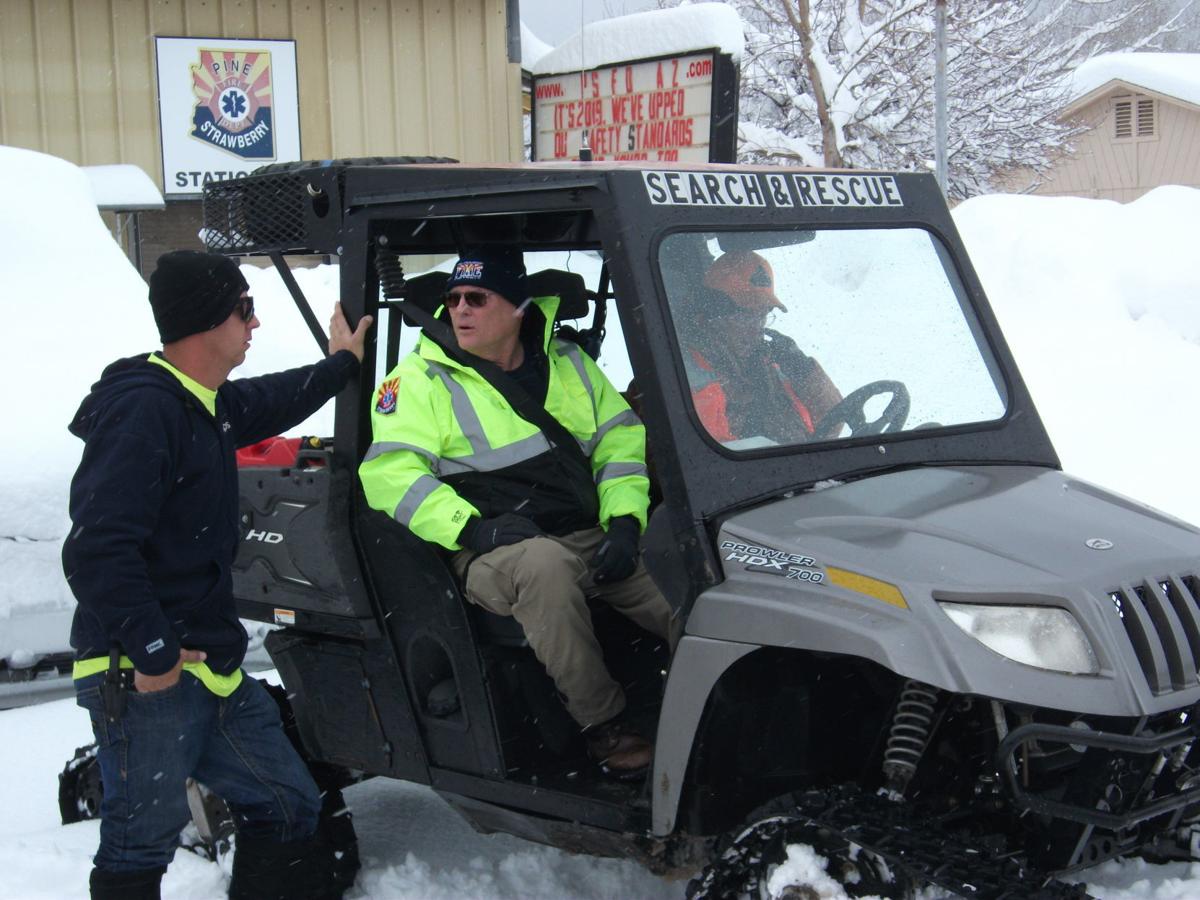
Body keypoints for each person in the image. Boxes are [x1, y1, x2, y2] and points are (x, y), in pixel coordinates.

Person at [62, 250, 372, 900]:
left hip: (211, 670)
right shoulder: (146, 413)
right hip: (143, 675)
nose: (254, 324)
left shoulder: (205, 403)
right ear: (208, 322)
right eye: (244, 309)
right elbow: (96, 550)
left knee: (287, 804)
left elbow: (270, 400)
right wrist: (151, 649)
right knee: (138, 842)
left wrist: (341, 363)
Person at [359, 248, 673, 778]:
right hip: (491, 551)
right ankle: (604, 725)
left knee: (686, 578)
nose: (460, 309)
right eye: (453, 298)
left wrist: (624, 523)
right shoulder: (418, 379)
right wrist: (474, 529)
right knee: (543, 567)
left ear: (518, 308)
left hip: (588, 533)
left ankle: (719, 701)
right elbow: (392, 476)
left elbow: (619, 441)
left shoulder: (569, 362)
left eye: (477, 298)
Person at [684, 250, 842, 444]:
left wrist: (805, 372)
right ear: (714, 316)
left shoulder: (768, 365)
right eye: (746, 317)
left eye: (762, 315)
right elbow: (716, 459)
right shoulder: (691, 376)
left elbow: (834, 424)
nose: (756, 328)